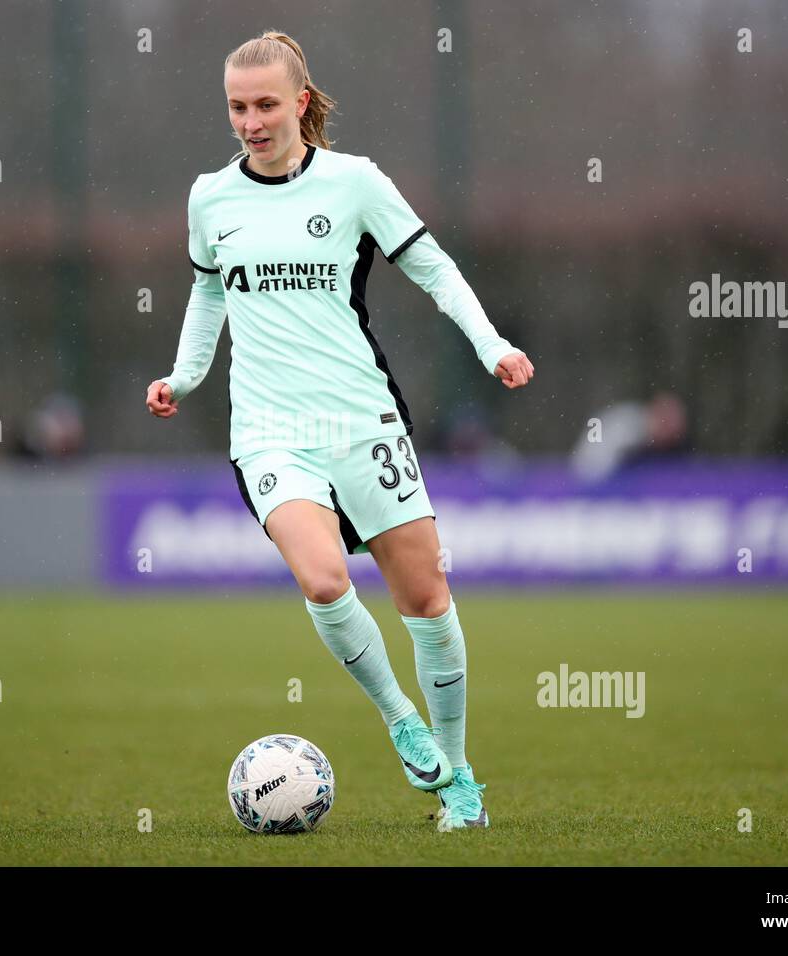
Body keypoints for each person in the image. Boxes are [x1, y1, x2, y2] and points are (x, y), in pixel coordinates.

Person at [144, 30, 535, 830]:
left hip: (362, 417)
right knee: (323, 580)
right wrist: (184, 376)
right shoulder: (210, 197)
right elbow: (208, 293)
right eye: (236, 107)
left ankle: (459, 779)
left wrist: (491, 344)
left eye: (264, 105)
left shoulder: (354, 184)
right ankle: (398, 716)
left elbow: (433, 267)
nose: (250, 121)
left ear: (301, 104)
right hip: (268, 430)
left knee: (425, 598)